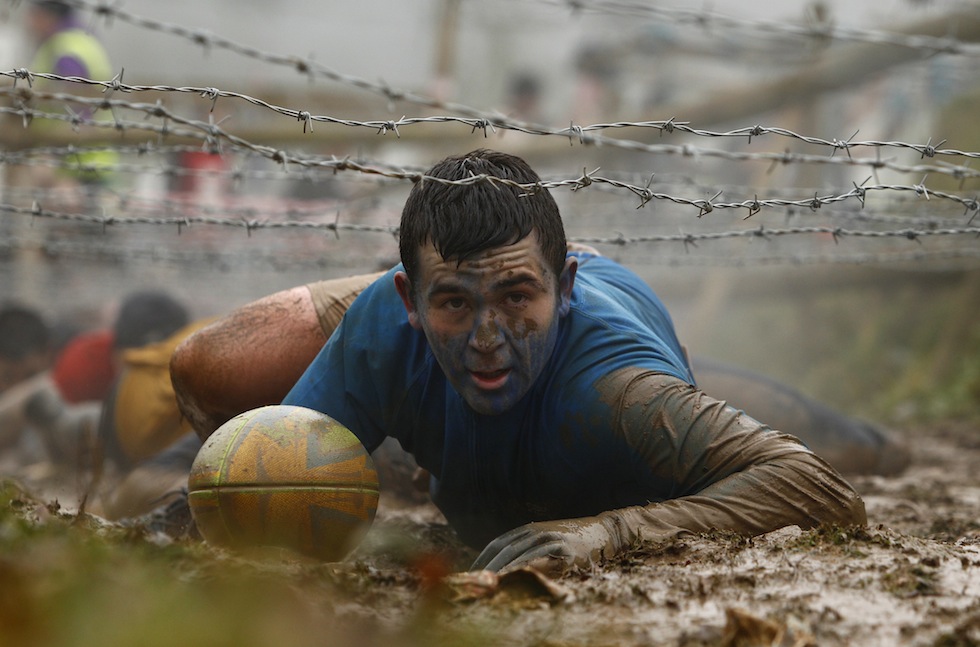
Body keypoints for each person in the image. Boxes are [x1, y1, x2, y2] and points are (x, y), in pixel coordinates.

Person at [171, 149, 868, 574]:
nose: (486, 337)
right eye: (453, 305)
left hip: (602, 360)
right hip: (450, 325)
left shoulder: (619, 392)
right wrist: (185, 508)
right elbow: (260, 468)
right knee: (209, 367)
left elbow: (818, 485)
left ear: (562, 289)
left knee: (857, 445)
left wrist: (609, 529)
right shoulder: (385, 324)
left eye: (515, 298)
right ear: (410, 297)